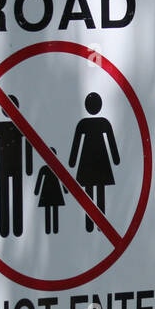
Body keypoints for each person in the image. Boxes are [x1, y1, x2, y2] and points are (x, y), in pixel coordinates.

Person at [68, 92, 120, 232]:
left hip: (88, 161)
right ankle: (98, 224)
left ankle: (91, 223)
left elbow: (76, 145)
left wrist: (72, 162)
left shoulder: (84, 124)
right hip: (100, 160)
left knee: (90, 192)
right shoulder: (103, 123)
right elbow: (111, 143)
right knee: (98, 191)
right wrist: (116, 159)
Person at [0, 94, 33, 237]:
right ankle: (7, 228)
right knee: (7, 195)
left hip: (12, 166)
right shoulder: (1, 128)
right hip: (8, 166)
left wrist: (29, 168)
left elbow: (28, 146)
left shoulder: (14, 128)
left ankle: (13, 228)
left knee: (12, 195)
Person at [34, 147, 67, 234]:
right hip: (48, 191)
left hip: (53, 192)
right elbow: (39, 180)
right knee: (48, 210)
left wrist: (66, 190)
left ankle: (55, 229)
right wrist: (36, 191)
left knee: (54, 210)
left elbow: (62, 180)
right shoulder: (44, 169)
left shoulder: (56, 168)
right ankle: (48, 230)